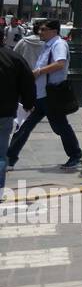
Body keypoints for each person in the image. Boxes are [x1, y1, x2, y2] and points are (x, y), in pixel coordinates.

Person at [6, 20, 82, 172]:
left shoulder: (58, 44)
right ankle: (10, 159)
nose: (39, 32)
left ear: (53, 31)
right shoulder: (48, 45)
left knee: (60, 127)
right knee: (23, 127)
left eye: (43, 29)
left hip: (50, 95)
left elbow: (60, 64)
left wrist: (39, 71)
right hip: (40, 95)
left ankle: (75, 155)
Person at [0, 40, 36, 192]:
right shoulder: (14, 58)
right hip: (4, 112)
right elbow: (28, 82)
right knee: (1, 153)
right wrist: (28, 104)